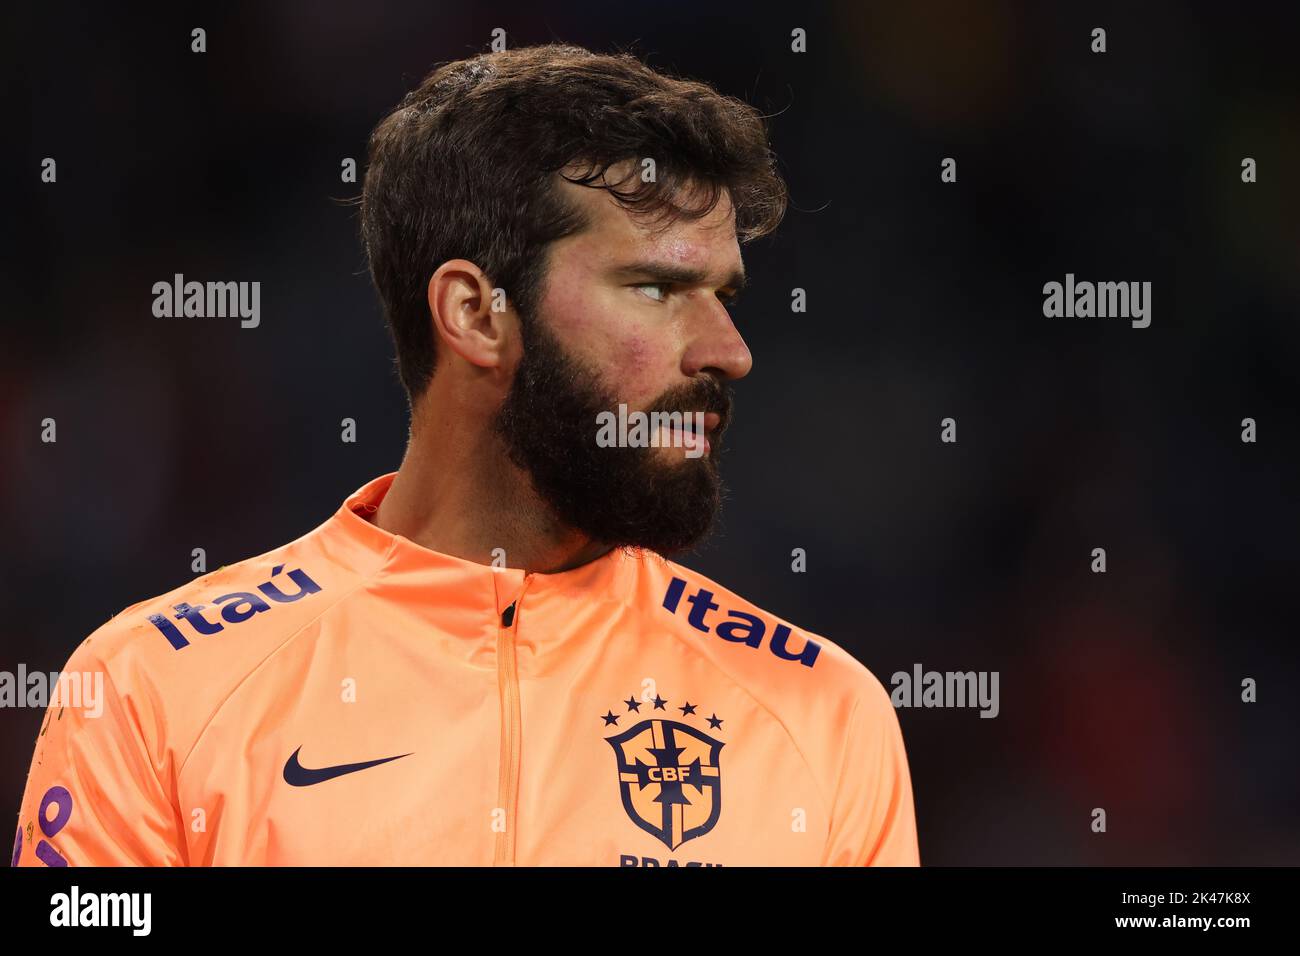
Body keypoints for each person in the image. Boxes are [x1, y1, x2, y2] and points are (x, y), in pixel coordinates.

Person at [12, 43, 918, 866]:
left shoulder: (822, 716)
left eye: (723, 293)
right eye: (656, 288)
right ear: (475, 314)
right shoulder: (153, 689)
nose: (729, 350)